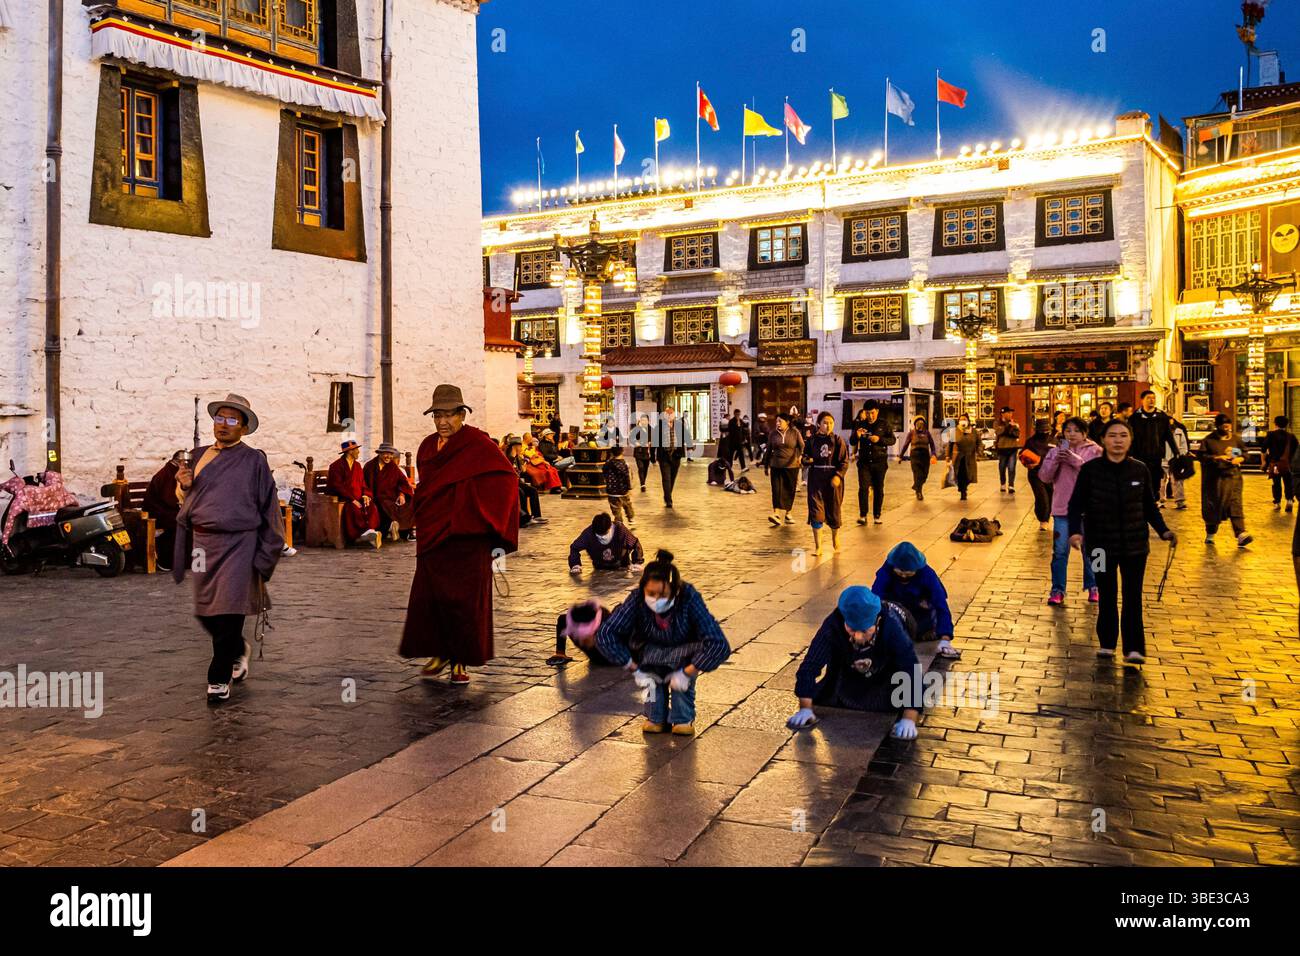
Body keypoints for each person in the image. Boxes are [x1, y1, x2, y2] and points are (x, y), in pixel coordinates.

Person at [400, 384, 520, 685]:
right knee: (432, 598)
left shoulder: (477, 444)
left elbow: (506, 478)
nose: (443, 422)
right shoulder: (427, 447)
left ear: (462, 414)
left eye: (450, 415)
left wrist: (483, 516)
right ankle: (438, 653)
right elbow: (429, 487)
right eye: (438, 415)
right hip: (434, 535)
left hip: (468, 538)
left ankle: (459, 661)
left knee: (466, 603)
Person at [172, 393, 284, 703]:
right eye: (219, 418)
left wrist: (268, 549)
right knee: (204, 610)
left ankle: (218, 677)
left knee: (229, 610)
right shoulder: (197, 456)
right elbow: (186, 500)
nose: (223, 425)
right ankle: (238, 648)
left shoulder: (254, 461)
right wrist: (183, 486)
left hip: (239, 544)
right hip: (202, 543)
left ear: (244, 428)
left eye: (232, 420)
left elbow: (269, 506)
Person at [1068, 419, 1176, 664]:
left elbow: (1149, 507)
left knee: (1133, 596)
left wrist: (1164, 531)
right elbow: (1075, 505)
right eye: (1113, 435)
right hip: (1098, 546)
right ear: (1103, 440)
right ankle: (1107, 643)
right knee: (1105, 594)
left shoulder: (1140, 470)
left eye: (1123, 435)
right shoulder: (1090, 470)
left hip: (1135, 546)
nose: (1118, 440)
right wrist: (1075, 532)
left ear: (1130, 440)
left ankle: (1133, 648)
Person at [596, 549, 731, 736]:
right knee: (651, 686)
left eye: (663, 595)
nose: (656, 600)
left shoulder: (689, 597)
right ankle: (655, 717)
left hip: (684, 654)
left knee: (680, 689)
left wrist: (688, 671)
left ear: (675, 590)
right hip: (649, 653)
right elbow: (606, 633)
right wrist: (631, 665)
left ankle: (683, 718)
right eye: (651, 593)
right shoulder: (637, 599)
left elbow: (718, 644)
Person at [786, 586, 922, 738]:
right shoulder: (834, 622)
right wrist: (805, 708)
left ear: (877, 621)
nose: (858, 636)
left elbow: (911, 668)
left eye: (864, 630)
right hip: (852, 655)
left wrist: (909, 717)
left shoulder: (891, 625)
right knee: (834, 688)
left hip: (901, 623)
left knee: (890, 692)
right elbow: (811, 664)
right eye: (851, 629)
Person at [1038, 417, 1101, 606]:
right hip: (1063, 509)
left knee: (1094, 550)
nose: (1071, 434)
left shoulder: (1095, 451)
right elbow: (1044, 477)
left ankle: (1096, 586)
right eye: (1068, 430)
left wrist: (1076, 461)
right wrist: (1056, 459)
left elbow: (1097, 475)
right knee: (1059, 551)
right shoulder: (1055, 452)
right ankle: (1057, 589)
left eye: (1075, 430)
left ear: (1084, 433)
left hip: (1090, 510)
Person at [871, 542, 958, 658]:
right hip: (896, 610)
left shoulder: (928, 574)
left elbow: (941, 605)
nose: (903, 576)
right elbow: (874, 600)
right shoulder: (886, 571)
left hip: (921, 613)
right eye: (900, 572)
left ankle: (924, 631)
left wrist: (945, 639)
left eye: (908, 573)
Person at [1198, 414, 1252, 548]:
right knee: (1214, 506)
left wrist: (1239, 458)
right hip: (1214, 481)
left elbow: (1245, 453)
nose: (1227, 429)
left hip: (1233, 477)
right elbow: (1202, 456)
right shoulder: (1208, 440)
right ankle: (1210, 533)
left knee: (1235, 504)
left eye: (1229, 426)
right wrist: (1217, 458)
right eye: (1224, 426)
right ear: (1218, 426)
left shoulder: (1236, 439)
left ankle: (1241, 533)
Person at [804, 411, 850, 555]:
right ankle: (818, 546)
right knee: (816, 511)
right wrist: (806, 460)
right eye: (825, 422)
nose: (828, 425)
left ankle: (835, 538)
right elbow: (805, 457)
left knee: (834, 511)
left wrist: (838, 475)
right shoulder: (811, 441)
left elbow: (844, 461)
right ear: (818, 424)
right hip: (816, 480)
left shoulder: (838, 440)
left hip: (833, 481)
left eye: (830, 422)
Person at [327, 439, 381, 549]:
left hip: (358, 497)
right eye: (356, 450)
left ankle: (370, 531)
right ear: (350, 451)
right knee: (353, 508)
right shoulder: (336, 466)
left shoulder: (357, 466)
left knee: (371, 505)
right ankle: (360, 535)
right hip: (345, 498)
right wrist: (352, 499)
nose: (358, 452)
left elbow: (363, 483)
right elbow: (337, 486)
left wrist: (366, 495)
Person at [850, 400, 895, 525]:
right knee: (863, 488)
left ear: (877, 411)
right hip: (864, 462)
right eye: (868, 413)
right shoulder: (860, 424)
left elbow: (892, 440)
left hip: (879, 462)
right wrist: (857, 435)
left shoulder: (884, 424)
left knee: (878, 489)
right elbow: (852, 441)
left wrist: (879, 439)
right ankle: (863, 515)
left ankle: (877, 515)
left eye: (872, 413)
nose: (870, 416)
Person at [1128, 390, 1176, 505]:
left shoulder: (1161, 416)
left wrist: (1176, 451)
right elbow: (1130, 437)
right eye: (1149, 398)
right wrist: (1129, 452)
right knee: (1139, 477)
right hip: (1139, 455)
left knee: (1155, 478)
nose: (1152, 400)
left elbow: (1168, 435)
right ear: (1142, 400)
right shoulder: (1135, 417)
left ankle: (1153, 498)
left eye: (1153, 398)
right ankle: (1140, 499)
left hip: (1156, 455)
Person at [363, 442, 415, 542]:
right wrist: (366, 494)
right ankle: (391, 527)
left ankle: (403, 531)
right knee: (385, 505)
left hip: (393, 496)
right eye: (386, 453)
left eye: (391, 454)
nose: (389, 456)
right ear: (380, 453)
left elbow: (403, 482)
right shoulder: (370, 466)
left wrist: (401, 494)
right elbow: (363, 483)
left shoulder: (392, 466)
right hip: (376, 497)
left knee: (410, 502)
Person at [142, 450, 184, 572]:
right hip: (157, 513)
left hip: (165, 510)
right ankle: (168, 561)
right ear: (178, 462)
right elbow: (170, 500)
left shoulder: (173, 471)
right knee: (181, 522)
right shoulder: (167, 474)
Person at [568, 511, 643, 573]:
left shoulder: (620, 529)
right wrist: (575, 565)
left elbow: (635, 543)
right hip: (599, 566)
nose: (602, 537)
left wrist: (637, 562)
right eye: (599, 535)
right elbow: (574, 547)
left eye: (605, 534)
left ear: (610, 527)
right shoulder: (589, 533)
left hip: (621, 565)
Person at [548, 600, 618, 667]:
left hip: (606, 657)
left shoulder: (605, 632)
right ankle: (560, 653)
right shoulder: (577, 626)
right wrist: (560, 653)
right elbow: (562, 619)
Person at [764, 411, 803, 526]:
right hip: (776, 465)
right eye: (776, 421)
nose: (777, 423)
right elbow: (768, 450)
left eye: (780, 421)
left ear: (787, 422)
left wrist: (799, 457)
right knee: (776, 489)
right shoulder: (773, 434)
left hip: (791, 466)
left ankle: (788, 513)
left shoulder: (794, 432)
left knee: (789, 489)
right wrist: (766, 466)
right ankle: (776, 513)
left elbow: (802, 446)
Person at [1020, 419, 1056, 531]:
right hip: (1036, 474)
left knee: (1051, 497)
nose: (1044, 432)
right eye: (1042, 430)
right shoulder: (1030, 442)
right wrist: (1027, 464)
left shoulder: (1055, 441)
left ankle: (1046, 515)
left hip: (1051, 475)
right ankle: (1043, 520)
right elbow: (1022, 455)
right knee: (1042, 497)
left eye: (1046, 430)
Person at [653, 405, 691, 508]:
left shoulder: (679, 425)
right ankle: (669, 500)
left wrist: (690, 445)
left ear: (674, 415)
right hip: (664, 456)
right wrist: (652, 457)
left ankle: (667, 495)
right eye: (667, 413)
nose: (669, 415)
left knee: (672, 478)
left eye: (671, 413)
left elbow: (686, 435)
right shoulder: (659, 426)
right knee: (666, 478)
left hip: (676, 455)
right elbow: (654, 442)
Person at [505, 437, 547, 526]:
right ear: (515, 446)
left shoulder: (517, 458)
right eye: (520, 446)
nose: (521, 448)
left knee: (533, 491)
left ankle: (536, 516)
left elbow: (522, 471)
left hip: (518, 482)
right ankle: (525, 518)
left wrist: (522, 463)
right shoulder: (508, 457)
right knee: (521, 492)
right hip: (511, 483)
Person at [898, 416, 938, 501]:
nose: (919, 425)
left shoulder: (927, 433)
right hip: (915, 456)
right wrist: (901, 456)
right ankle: (919, 492)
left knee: (925, 475)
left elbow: (932, 444)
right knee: (917, 474)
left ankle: (916, 486)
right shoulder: (911, 433)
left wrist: (933, 454)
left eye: (921, 423)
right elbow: (905, 445)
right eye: (918, 423)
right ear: (915, 424)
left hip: (925, 456)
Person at [1264, 416, 1298, 512]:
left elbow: (1263, 449)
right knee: (1288, 483)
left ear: (1275, 424)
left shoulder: (1270, 435)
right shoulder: (1291, 437)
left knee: (1276, 483)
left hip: (1275, 464)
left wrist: (1263, 462)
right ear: (1287, 425)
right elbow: (1296, 450)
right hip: (1288, 465)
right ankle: (1289, 500)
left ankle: (1277, 503)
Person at [1161, 415, 1191, 510]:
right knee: (1161, 481)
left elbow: (1184, 445)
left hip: (1176, 460)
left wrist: (1180, 455)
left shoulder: (1179, 432)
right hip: (1163, 459)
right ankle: (1160, 500)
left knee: (1178, 481)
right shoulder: (1160, 432)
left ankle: (1180, 501)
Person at [948, 413, 980, 501]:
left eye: (965, 419)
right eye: (961, 419)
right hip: (958, 457)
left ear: (968, 421)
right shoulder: (954, 431)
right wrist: (948, 456)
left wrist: (979, 451)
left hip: (969, 457)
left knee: (969, 475)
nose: (963, 421)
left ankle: (964, 488)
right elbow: (950, 445)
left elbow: (979, 442)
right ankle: (963, 490)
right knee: (960, 474)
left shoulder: (973, 431)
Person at [602, 448, 635, 527]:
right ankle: (631, 518)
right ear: (623, 451)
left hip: (612, 491)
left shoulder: (608, 463)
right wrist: (629, 488)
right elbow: (628, 477)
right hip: (623, 490)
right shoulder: (625, 464)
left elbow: (604, 472)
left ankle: (619, 522)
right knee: (627, 505)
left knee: (616, 508)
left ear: (612, 453)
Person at [994, 406, 1021, 494]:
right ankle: (1002, 483)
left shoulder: (1014, 423)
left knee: (1012, 467)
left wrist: (1009, 430)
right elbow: (999, 431)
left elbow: (1016, 434)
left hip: (1013, 448)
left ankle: (1011, 485)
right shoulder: (997, 423)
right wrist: (1009, 427)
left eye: (1011, 413)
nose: (1010, 414)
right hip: (1002, 448)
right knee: (1002, 467)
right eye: (1008, 413)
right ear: (1003, 413)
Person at [630, 413, 653, 493]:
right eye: (642, 420)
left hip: (647, 453)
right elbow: (632, 439)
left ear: (648, 421)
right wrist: (637, 443)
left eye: (645, 420)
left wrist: (651, 443)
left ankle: (643, 481)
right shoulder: (637, 429)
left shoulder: (651, 429)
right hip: (638, 452)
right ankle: (642, 484)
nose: (643, 422)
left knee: (645, 469)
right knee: (641, 467)